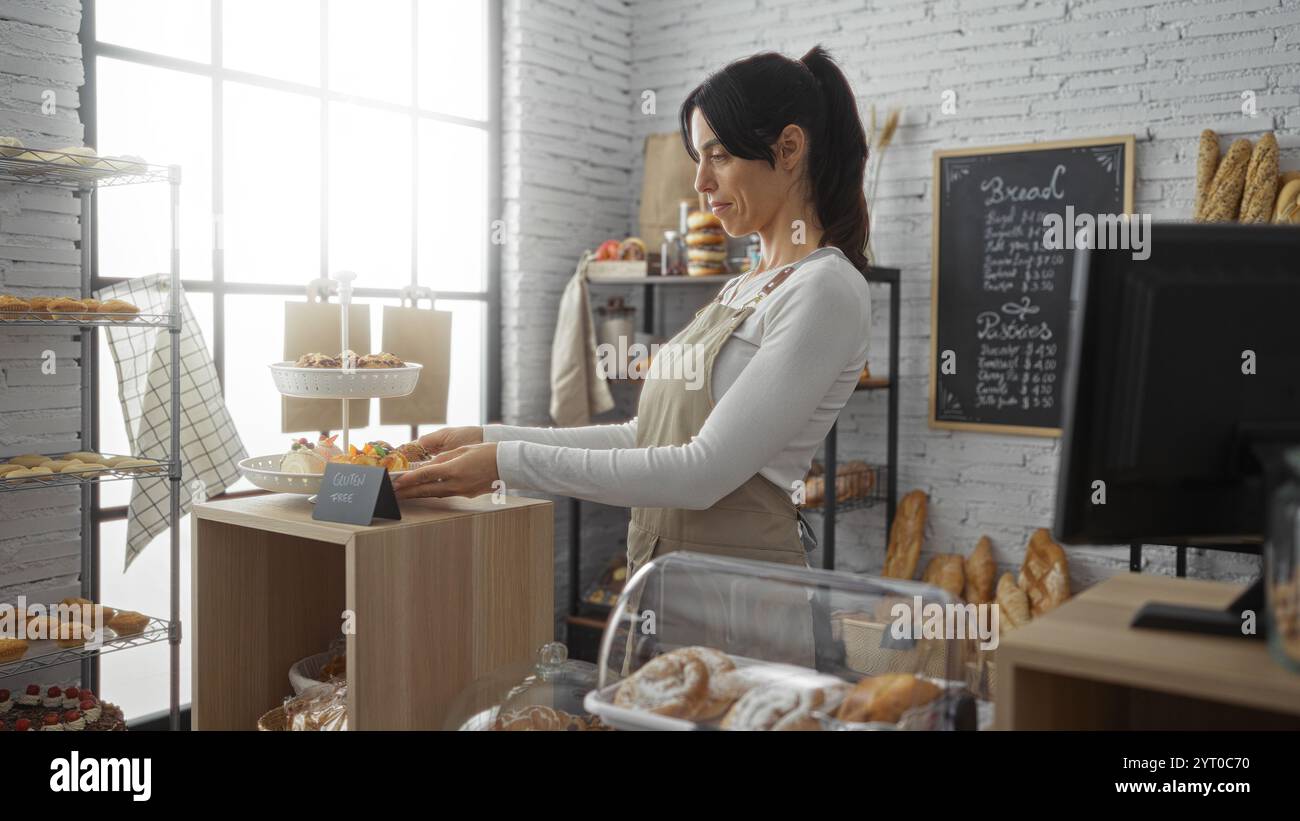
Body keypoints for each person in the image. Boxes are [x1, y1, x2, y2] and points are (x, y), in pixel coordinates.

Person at [392, 45, 872, 585]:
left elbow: (701, 472)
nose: (700, 184)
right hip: (663, 586)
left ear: (788, 149)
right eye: (699, 159)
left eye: (719, 156)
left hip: (741, 601)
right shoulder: (743, 286)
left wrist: (505, 464)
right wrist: (487, 438)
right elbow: (644, 437)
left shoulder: (825, 289)